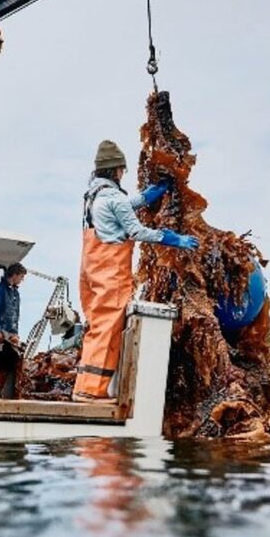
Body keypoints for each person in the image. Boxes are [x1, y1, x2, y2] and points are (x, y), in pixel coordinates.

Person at [73, 140, 198, 403]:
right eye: (122, 170)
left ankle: (84, 386)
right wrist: (173, 238)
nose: (123, 174)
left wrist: (150, 195)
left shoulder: (94, 195)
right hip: (110, 269)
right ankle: (91, 391)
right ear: (116, 170)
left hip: (90, 267)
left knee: (96, 324)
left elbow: (123, 206)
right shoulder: (113, 197)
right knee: (108, 325)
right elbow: (136, 231)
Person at [0, 262, 26, 344]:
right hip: (0, 332)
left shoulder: (16, 293)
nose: (22, 280)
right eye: (21, 276)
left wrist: (15, 332)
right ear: (14, 275)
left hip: (11, 334)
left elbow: (16, 314)